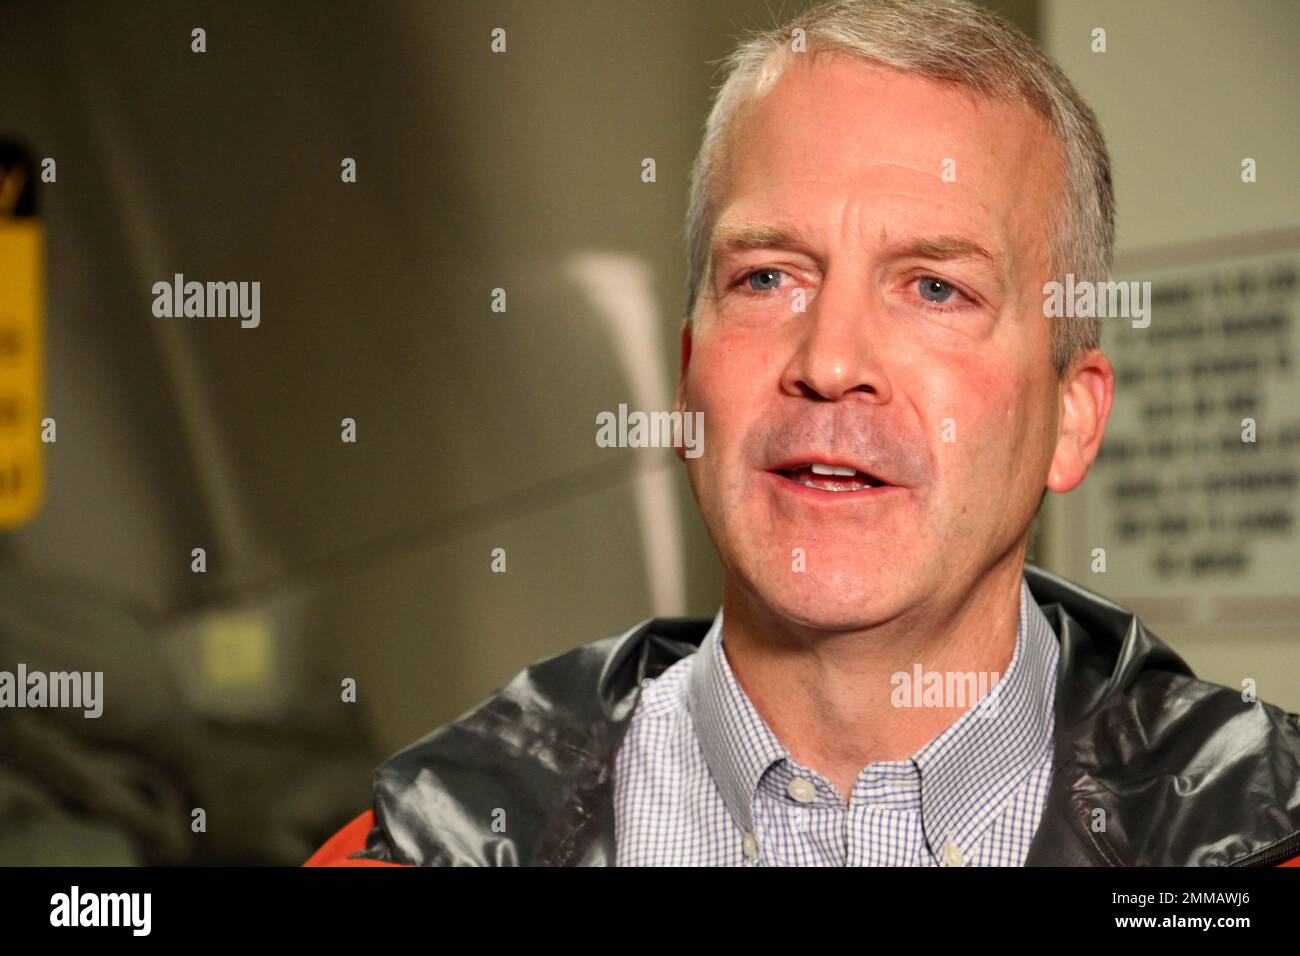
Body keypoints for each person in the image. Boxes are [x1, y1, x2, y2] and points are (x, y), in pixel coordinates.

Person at [306, 0, 1300, 867]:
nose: (828, 362)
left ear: (1071, 419)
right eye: (767, 275)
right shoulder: (428, 840)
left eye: (934, 288)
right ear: (689, 375)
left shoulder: (1261, 833)